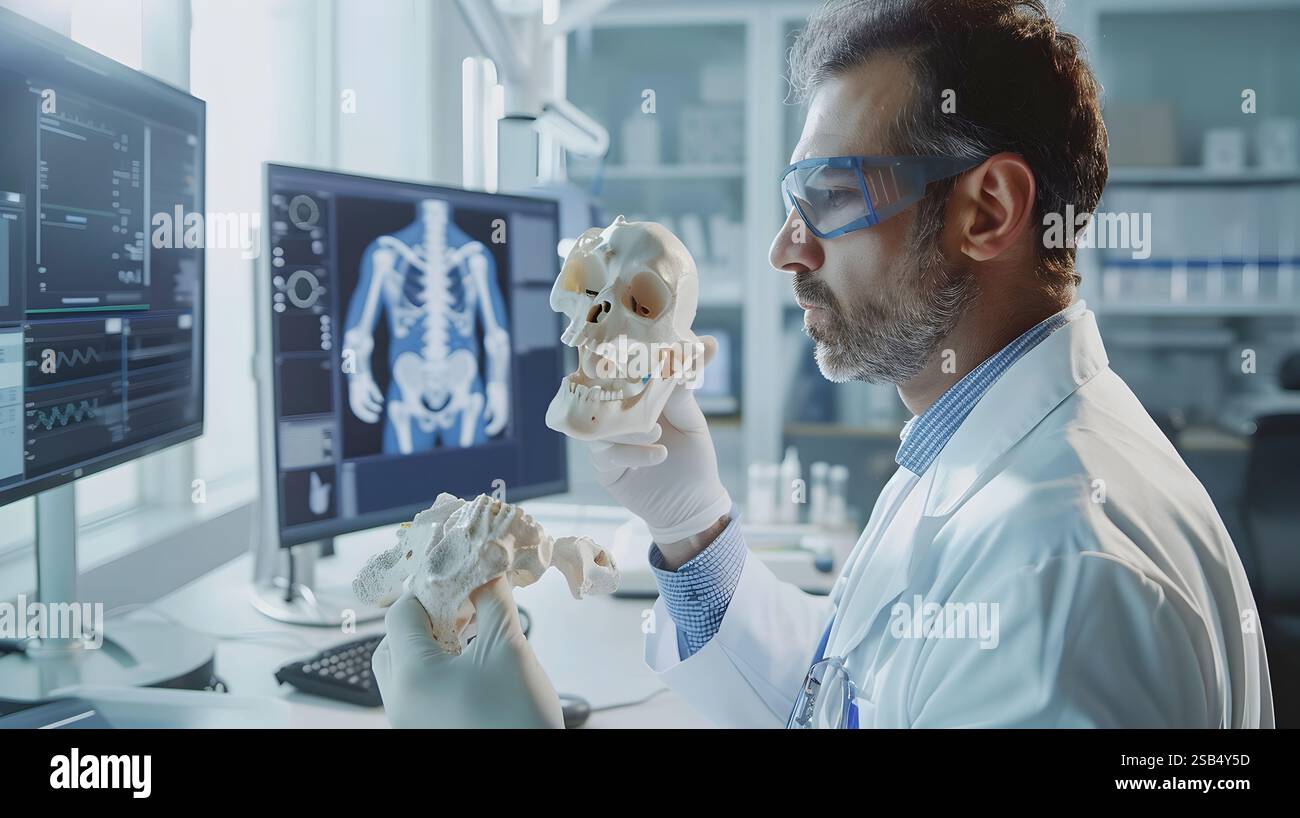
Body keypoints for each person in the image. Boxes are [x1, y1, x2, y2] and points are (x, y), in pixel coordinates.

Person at [373, 0, 1273, 728]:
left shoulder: (1065, 581)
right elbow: (848, 692)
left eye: (830, 196)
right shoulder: (970, 452)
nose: (783, 250)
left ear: (989, 209)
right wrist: (693, 534)